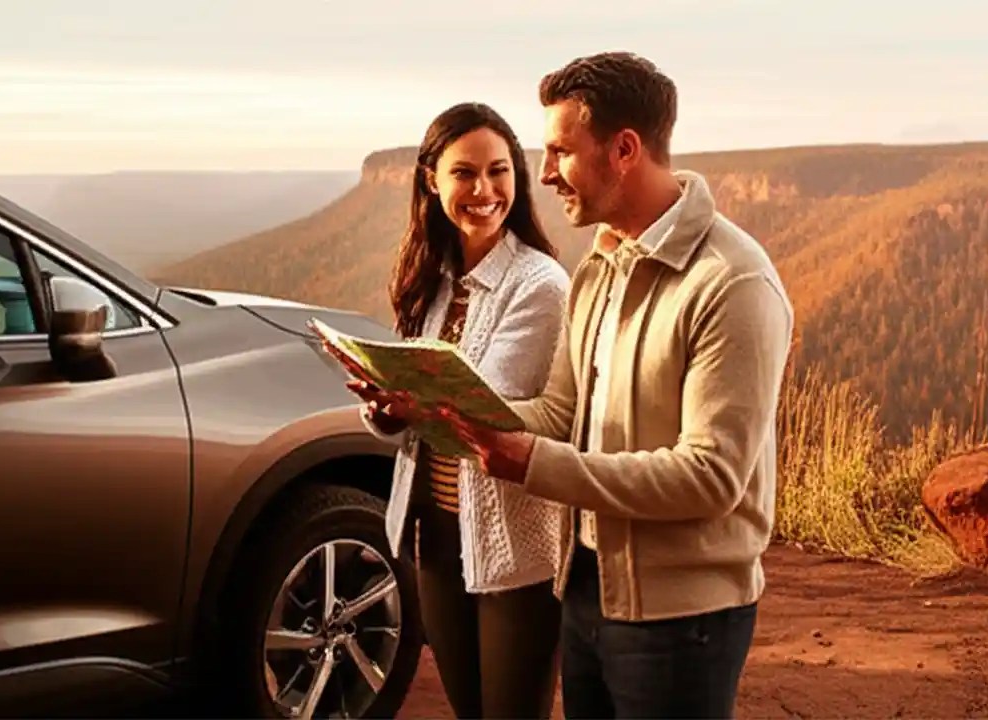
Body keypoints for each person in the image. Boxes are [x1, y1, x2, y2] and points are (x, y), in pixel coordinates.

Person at [427, 53, 796, 718]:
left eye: (561, 150)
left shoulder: (732, 282)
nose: (543, 174)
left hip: (686, 620)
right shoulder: (599, 267)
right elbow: (558, 411)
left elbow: (711, 477)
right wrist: (457, 410)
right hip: (587, 591)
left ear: (624, 149)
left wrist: (533, 464)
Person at [341, 101, 571, 719]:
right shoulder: (433, 278)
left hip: (512, 543)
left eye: (499, 171)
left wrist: (410, 398)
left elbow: (486, 403)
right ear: (430, 180)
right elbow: (422, 417)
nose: (484, 190)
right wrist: (384, 410)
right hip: (436, 534)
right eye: (464, 173)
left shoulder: (539, 283)